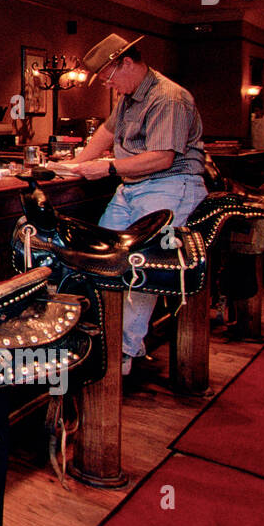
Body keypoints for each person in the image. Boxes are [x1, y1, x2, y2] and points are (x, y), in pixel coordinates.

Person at [68, 33, 207, 376]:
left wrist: (108, 167)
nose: (110, 87)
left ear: (127, 63)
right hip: (133, 187)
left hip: (171, 185)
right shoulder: (131, 96)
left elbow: (161, 158)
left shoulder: (169, 97)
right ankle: (105, 341)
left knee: (138, 267)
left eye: (109, 78)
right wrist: (72, 168)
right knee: (99, 258)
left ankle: (122, 355)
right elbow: (105, 132)